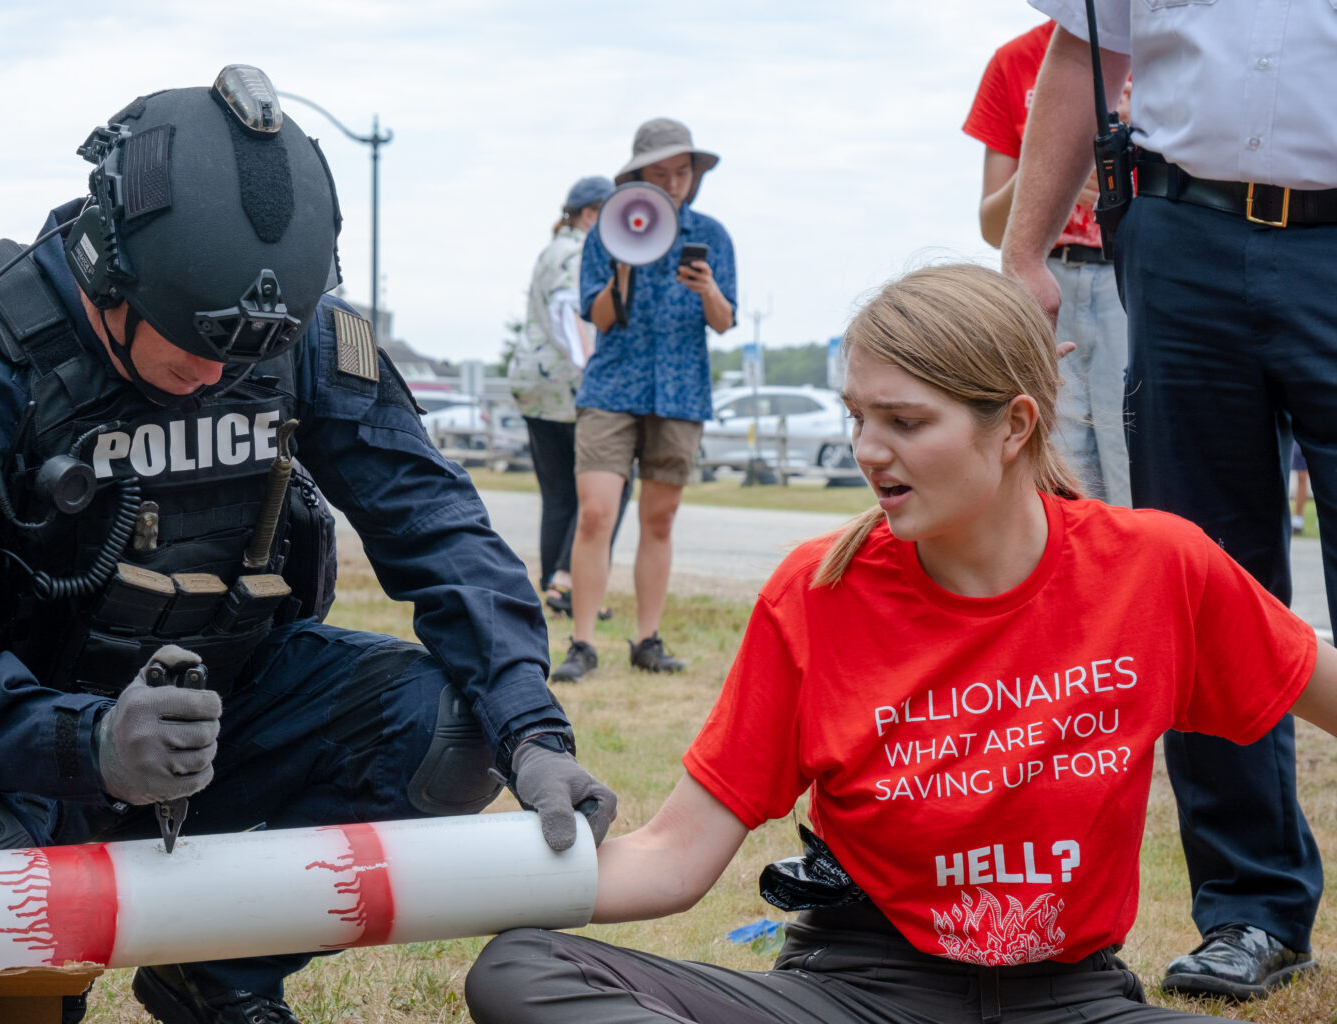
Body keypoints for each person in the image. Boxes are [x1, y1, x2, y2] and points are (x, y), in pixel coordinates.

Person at [0, 67, 614, 1024]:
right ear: (110, 270)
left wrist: (532, 725)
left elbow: (435, 528)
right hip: (5, 740)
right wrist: (89, 744)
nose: (217, 373)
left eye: (242, 353)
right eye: (192, 343)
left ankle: (217, 976)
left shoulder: (295, 337)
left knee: (453, 730)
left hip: (219, 711)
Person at [464, 264, 1337, 1024]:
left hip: (1072, 1000)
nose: (867, 452)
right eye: (857, 418)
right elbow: (672, 859)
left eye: (905, 423)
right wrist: (409, 883)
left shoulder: (1154, 567)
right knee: (522, 970)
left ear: (1015, 425)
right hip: (857, 988)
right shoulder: (818, 591)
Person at [1001, 0, 1335, 999]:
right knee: (1202, 586)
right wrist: (1023, 253)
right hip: (1183, 236)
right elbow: (1083, 47)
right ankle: (1250, 909)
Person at [551, 117, 737, 682]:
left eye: (683, 171)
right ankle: (582, 643)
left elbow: (725, 323)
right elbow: (598, 316)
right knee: (596, 514)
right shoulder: (604, 235)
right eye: (662, 172)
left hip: (680, 390)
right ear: (636, 176)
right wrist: (622, 272)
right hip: (613, 387)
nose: (675, 183)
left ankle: (646, 640)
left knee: (660, 519)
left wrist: (709, 291)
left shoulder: (713, 235)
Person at [963, 19, 1130, 506]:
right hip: (1047, 274)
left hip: (1132, 273)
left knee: (1136, 468)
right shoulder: (1013, 61)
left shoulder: (1162, 41)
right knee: (1050, 468)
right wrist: (1056, 163)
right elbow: (993, 227)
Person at [506, 175, 629, 620]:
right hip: (570, 386)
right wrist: (592, 367)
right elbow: (567, 311)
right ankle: (570, 580)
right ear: (592, 214)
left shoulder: (550, 250)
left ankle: (554, 590)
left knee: (559, 493)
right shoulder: (578, 251)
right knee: (609, 484)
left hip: (535, 385)